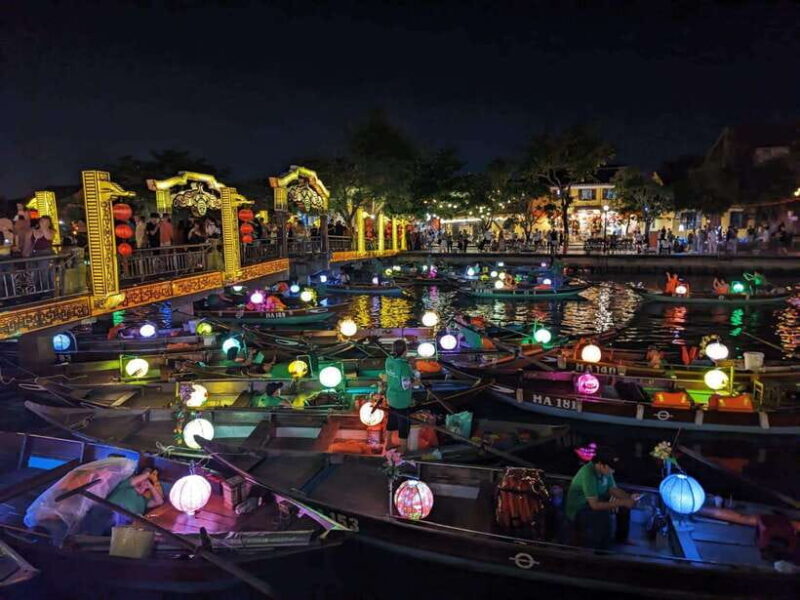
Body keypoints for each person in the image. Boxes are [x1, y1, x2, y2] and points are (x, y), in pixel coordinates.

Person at [566, 447, 640, 549]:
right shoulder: (588, 473)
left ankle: (622, 538)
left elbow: (613, 489)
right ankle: (602, 548)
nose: (612, 472)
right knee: (604, 514)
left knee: (623, 507)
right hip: (580, 507)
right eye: (611, 468)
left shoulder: (606, 471)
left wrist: (629, 497)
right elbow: (594, 505)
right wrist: (622, 502)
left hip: (597, 499)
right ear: (601, 464)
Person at [381, 339, 417, 453]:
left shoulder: (389, 360)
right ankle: (403, 449)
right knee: (404, 424)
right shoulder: (404, 366)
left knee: (392, 420)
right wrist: (416, 382)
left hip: (391, 396)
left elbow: (394, 372)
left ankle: (388, 443)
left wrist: (407, 362)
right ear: (405, 350)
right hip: (402, 400)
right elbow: (405, 385)